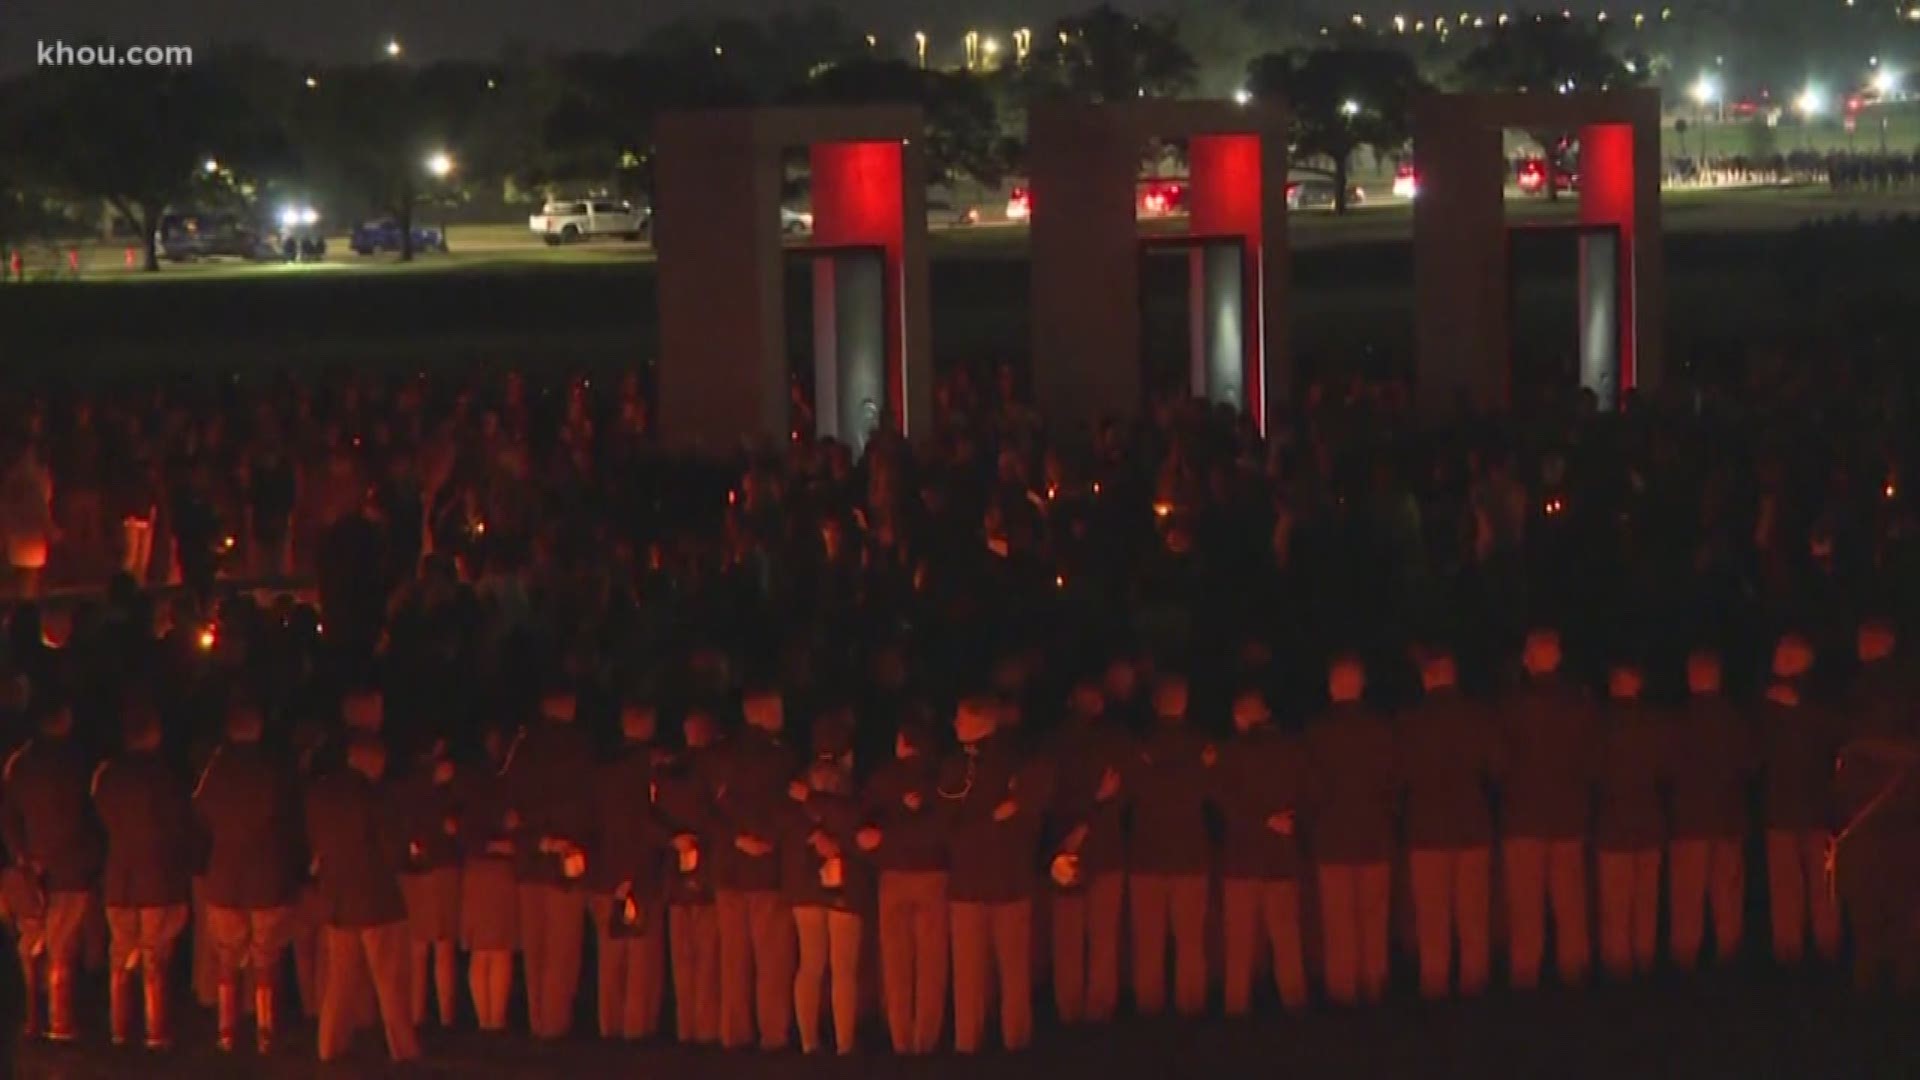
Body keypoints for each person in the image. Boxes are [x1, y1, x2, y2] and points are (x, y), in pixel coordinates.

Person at [194, 690, 305, 1053]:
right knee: (267, 959)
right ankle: (266, 1031)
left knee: (227, 957)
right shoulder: (274, 770)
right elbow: (290, 824)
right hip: (268, 882)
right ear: (258, 727)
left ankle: (226, 1032)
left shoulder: (216, 769)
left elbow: (200, 816)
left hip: (224, 880)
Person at [306, 734, 420, 1064]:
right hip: (377, 901)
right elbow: (392, 850)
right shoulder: (375, 797)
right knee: (390, 982)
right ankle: (404, 1049)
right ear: (372, 761)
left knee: (338, 982)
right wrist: (411, 855)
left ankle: (329, 1046)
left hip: (338, 901)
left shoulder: (320, 795)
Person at [943, 697, 1048, 1052]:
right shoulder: (1004, 763)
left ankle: (972, 1042)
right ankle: (1012, 1040)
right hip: (1000, 883)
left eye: (960, 718)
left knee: (981, 973)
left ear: (979, 722)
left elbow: (953, 829)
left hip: (988, 883)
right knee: (1009, 970)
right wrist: (996, 818)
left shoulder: (996, 763)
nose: (954, 724)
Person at [1395, 647, 1500, 999]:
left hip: (1426, 830)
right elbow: (1497, 766)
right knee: (1473, 916)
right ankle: (1474, 984)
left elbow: (1399, 776)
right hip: (1472, 825)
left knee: (1432, 918)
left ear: (1426, 678)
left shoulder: (1410, 721)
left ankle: (1435, 985)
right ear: (1454, 675)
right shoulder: (1478, 716)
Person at [91, 697, 194, 1050]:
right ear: (155, 734)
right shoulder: (166, 778)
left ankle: (119, 1029)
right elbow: (180, 827)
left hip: (119, 879)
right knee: (155, 956)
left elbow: (98, 820)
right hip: (158, 882)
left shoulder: (105, 776)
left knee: (120, 955)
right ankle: (156, 1030)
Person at [1498, 628, 1597, 989]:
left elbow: (1498, 761)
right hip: (1568, 819)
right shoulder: (1581, 705)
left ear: (1528, 659)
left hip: (1523, 821)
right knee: (1571, 908)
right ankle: (1575, 975)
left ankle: (1526, 979)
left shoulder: (1511, 706)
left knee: (1526, 910)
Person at [2, 693, 101, 1042]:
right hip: (69, 871)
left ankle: (31, 1018)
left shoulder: (18, 765)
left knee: (31, 946)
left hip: (30, 872)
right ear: (62, 720)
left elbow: (8, 817)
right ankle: (60, 1021)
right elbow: (82, 818)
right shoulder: (73, 765)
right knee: (62, 948)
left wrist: (22, 855)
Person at [500, 686, 595, 1040]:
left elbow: (508, 804)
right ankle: (554, 1023)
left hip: (528, 862)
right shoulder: (578, 748)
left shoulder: (522, 748)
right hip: (564, 862)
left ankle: (538, 1017)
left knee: (536, 947)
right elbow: (585, 805)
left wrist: (532, 837)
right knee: (562, 949)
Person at [708, 686, 797, 1052]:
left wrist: (734, 837)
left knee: (733, 957)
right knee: (771, 959)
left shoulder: (719, 755)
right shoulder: (782, 757)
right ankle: (772, 1034)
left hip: (728, 870)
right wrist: (765, 839)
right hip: (766, 871)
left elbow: (709, 809)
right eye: (777, 708)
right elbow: (785, 806)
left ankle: (733, 1032)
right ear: (763, 713)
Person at [1304, 655, 1397, 1006]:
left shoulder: (1317, 732)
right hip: (1374, 837)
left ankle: (1342, 991)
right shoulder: (1382, 729)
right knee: (1373, 919)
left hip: (1332, 839)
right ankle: (1374, 984)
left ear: (1332, 687)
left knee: (1338, 921)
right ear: (1362, 685)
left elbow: (1310, 788)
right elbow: (1393, 779)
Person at [1213, 685, 1309, 1015]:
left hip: (1241, 862)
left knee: (1238, 948)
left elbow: (1224, 801)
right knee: (1287, 943)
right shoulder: (1292, 750)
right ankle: (1295, 1006)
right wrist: (1285, 821)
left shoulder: (1229, 752)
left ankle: (1236, 1009)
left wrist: (1261, 819)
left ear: (1239, 717)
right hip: (1281, 860)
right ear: (1266, 713)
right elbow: (1311, 792)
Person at [859, 711, 950, 1053]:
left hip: (893, 876)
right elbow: (946, 826)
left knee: (895, 961)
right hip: (933, 874)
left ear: (901, 744)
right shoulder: (940, 778)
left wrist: (882, 844)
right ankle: (926, 1037)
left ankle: (900, 1037)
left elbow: (863, 827)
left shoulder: (883, 778)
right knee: (931, 961)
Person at [1125, 673, 1213, 1017]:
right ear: (1186, 702)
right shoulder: (1201, 744)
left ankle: (1149, 1003)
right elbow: (1208, 789)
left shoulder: (1141, 745)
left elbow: (1135, 789)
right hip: (1190, 855)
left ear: (1155, 704)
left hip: (1147, 854)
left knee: (1148, 940)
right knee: (1191, 940)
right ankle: (1191, 1002)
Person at [1043, 678, 1128, 1026]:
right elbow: (1121, 797)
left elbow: (1047, 799)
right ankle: (1099, 1007)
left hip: (1064, 848)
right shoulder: (1114, 743)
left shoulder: (1052, 744)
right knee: (1102, 936)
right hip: (1104, 849)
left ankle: (1069, 1008)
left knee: (1068, 936)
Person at [585, 701, 669, 1042]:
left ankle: (609, 1025)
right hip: (641, 873)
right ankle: (636, 1027)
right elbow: (643, 822)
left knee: (610, 956)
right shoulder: (647, 768)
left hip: (604, 874)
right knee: (641, 958)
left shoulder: (602, 770)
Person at [781, 714, 865, 1055]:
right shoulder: (852, 784)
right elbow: (857, 819)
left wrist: (811, 834)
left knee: (810, 963)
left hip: (802, 881)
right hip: (845, 879)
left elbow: (784, 822)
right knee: (843, 967)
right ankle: (844, 1044)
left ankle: (808, 1042)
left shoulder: (796, 784)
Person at [1667, 650, 1753, 971]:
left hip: (1689, 822)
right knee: (1727, 892)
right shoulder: (1736, 719)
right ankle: (1729, 952)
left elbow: (1667, 767)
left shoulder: (1678, 720)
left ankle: (1685, 955)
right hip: (1729, 819)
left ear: (1692, 678)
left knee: (1688, 894)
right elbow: (1751, 762)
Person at [1760, 634, 1842, 966]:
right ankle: (1822, 946)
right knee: (1817, 886)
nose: (1775, 658)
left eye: (1782, 654)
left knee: (1789, 886)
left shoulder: (1774, 704)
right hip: (1813, 807)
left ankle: (1791, 950)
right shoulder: (1821, 702)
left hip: (1787, 808)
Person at [1594, 664, 1668, 981]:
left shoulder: (1601, 724)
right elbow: (1667, 771)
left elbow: (1590, 771)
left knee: (1616, 904)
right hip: (1650, 822)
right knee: (1646, 902)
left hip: (1612, 825)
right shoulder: (1656, 724)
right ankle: (1645, 960)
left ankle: (1618, 966)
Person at [655, 708, 721, 1046]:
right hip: (708, 874)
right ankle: (706, 1029)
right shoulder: (715, 770)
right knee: (707, 958)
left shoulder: (668, 772)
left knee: (683, 958)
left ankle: (686, 1028)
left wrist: (672, 839)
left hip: (675, 872)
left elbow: (654, 815)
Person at [392, 736, 462, 1030]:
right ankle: (441, 1017)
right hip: (436, 869)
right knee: (439, 947)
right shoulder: (431, 785)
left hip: (416, 871)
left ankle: (420, 1015)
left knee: (421, 949)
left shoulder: (400, 783)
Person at [458, 724, 518, 1033]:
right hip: (493, 871)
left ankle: (490, 1020)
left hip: (483, 871)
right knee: (493, 950)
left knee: (490, 950)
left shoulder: (472, 782)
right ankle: (491, 1021)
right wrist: (502, 843)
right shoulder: (503, 784)